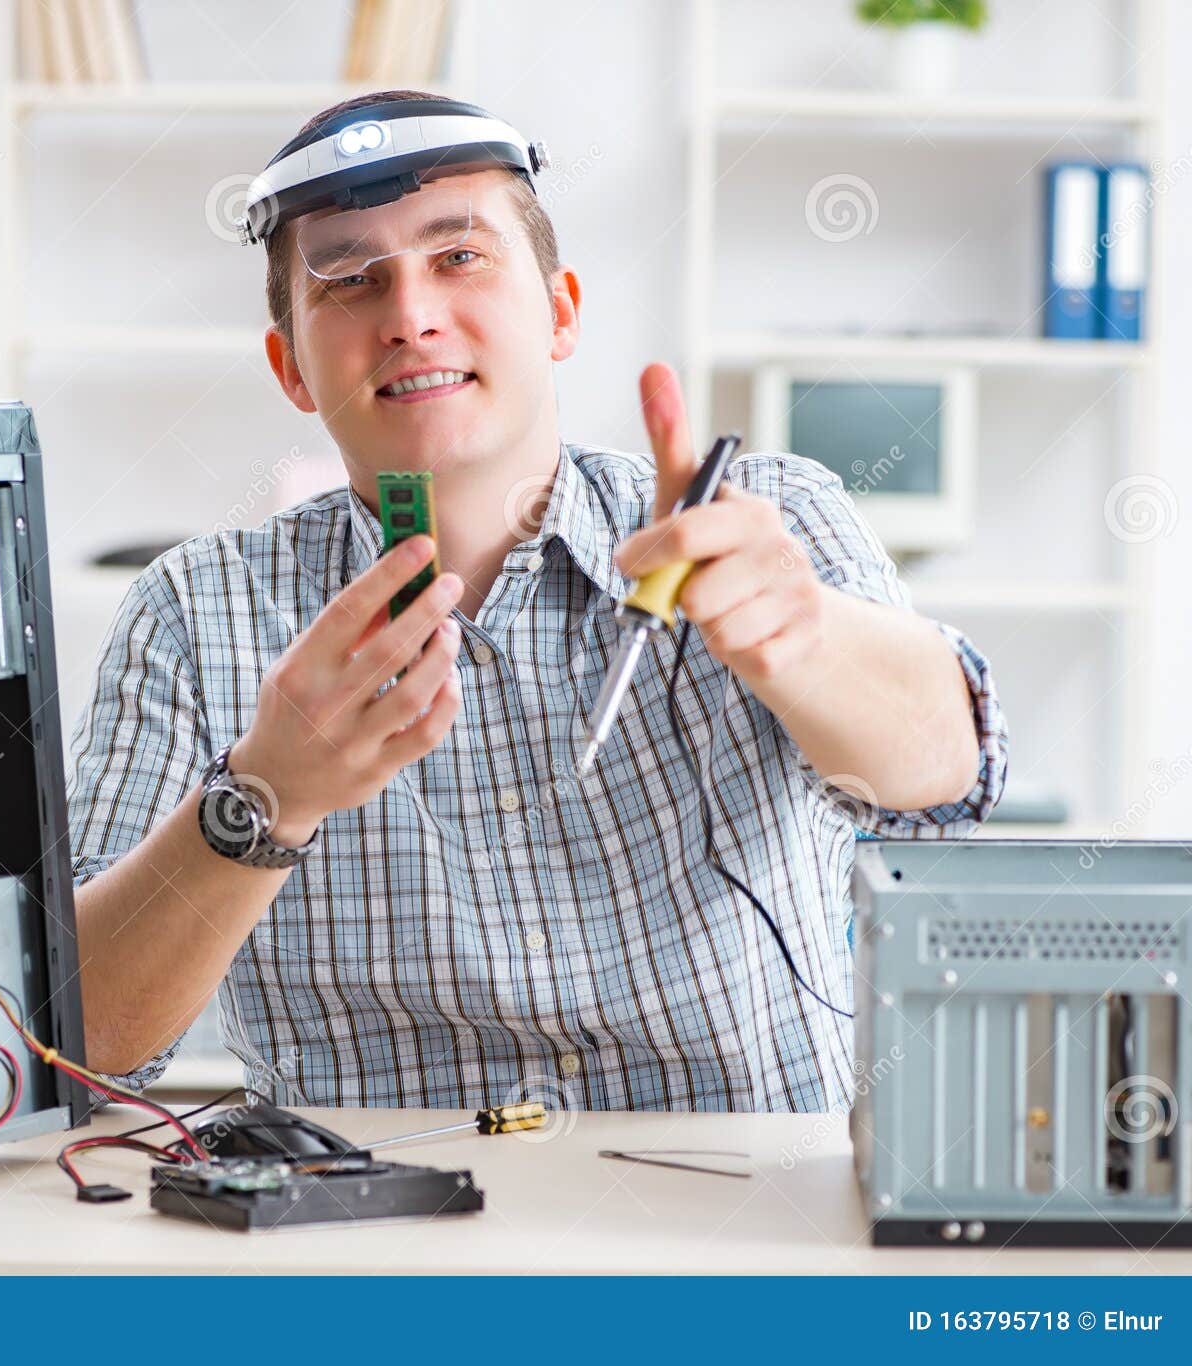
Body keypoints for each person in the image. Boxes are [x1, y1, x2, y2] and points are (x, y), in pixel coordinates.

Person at [65, 90, 1008, 1112]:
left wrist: (805, 638)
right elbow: (85, 1041)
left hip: (740, 1201)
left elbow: (943, 780)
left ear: (560, 312)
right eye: (349, 279)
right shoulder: (193, 610)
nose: (410, 318)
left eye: (459, 256)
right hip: (370, 1209)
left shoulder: (761, 521)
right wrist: (263, 797)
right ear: (291, 366)